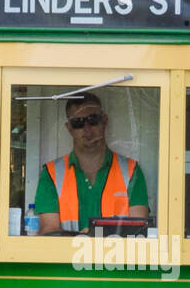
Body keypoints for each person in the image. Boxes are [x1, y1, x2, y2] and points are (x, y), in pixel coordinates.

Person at [34, 92, 149, 235]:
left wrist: (92, 235)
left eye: (93, 119)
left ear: (104, 121)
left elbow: (138, 229)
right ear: (69, 128)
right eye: (78, 123)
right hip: (66, 257)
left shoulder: (132, 171)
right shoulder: (50, 173)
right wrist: (86, 238)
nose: (87, 128)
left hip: (117, 257)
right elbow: (49, 231)